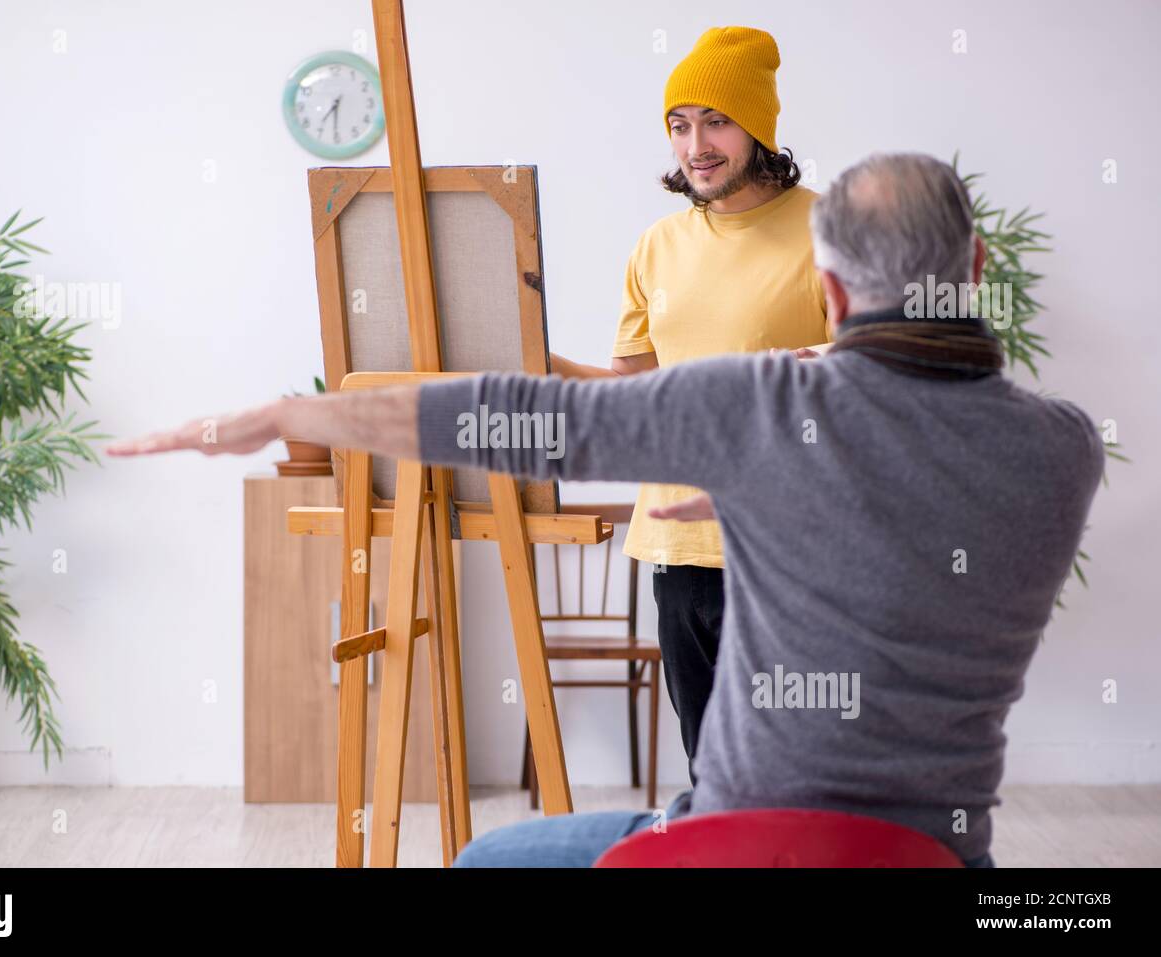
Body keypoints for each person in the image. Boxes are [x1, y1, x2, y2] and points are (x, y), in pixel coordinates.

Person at [107, 153, 1104, 868]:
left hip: (740, 839)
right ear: (974, 271)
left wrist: (295, 411)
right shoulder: (1064, 449)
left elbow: (527, 417)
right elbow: (904, 485)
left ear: (828, 289)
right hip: (942, 855)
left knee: (488, 862)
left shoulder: (763, 408)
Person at [549, 26, 830, 777]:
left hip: (789, 547)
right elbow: (636, 396)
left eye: (716, 121)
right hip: (677, 548)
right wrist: (542, 366)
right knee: (710, 767)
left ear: (759, 127)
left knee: (795, 767)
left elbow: (888, 373)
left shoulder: (831, 231)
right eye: (679, 123)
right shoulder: (656, 247)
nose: (695, 143)